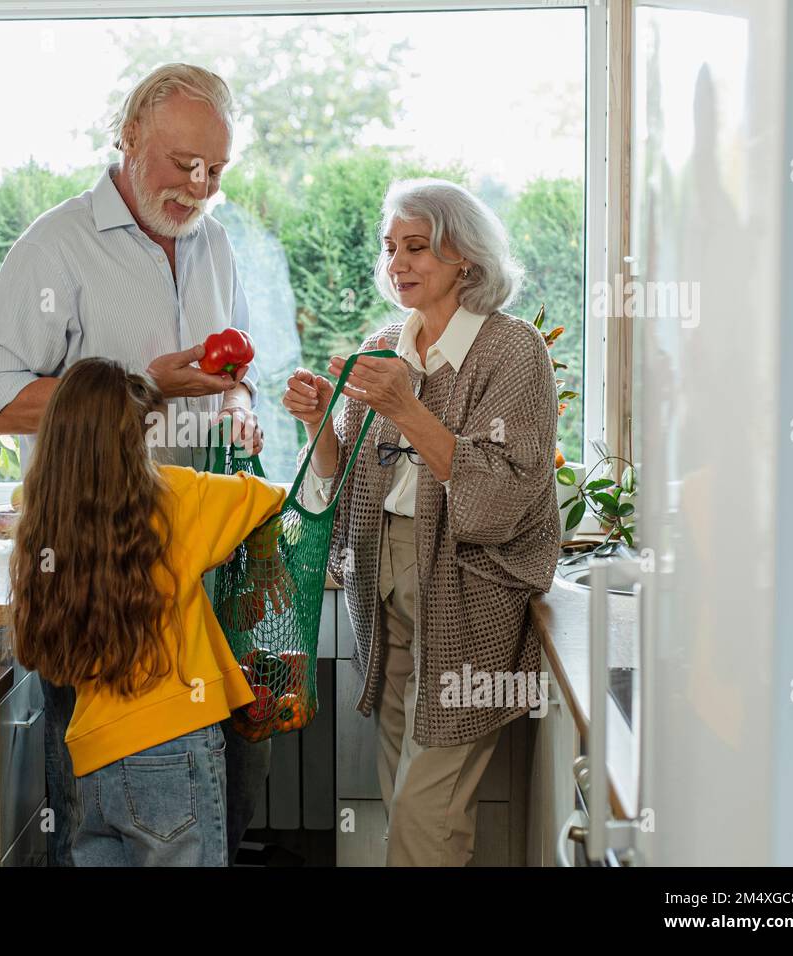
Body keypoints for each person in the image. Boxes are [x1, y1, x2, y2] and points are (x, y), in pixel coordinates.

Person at [0, 63, 268, 866]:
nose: (200, 184)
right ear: (129, 135)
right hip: (98, 569)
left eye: (216, 168)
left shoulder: (216, 245)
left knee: (217, 800)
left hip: (203, 569)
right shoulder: (56, 246)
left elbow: (236, 378)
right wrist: (144, 389)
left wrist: (238, 412)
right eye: (182, 163)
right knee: (112, 808)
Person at [281, 178, 560, 865]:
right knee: (398, 779)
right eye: (390, 249)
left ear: (465, 256)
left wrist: (407, 407)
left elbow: (500, 500)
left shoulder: (513, 350)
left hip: (471, 589)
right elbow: (340, 478)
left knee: (420, 810)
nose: (397, 264)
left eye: (417, 248)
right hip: (384, 577)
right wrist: (320, 419)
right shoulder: (385, 342)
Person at [8, 358, 285, 866]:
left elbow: (36, 500)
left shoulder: (43, 514)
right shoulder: (180, 496)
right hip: (175, 750)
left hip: (92, 756)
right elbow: (271, 497)